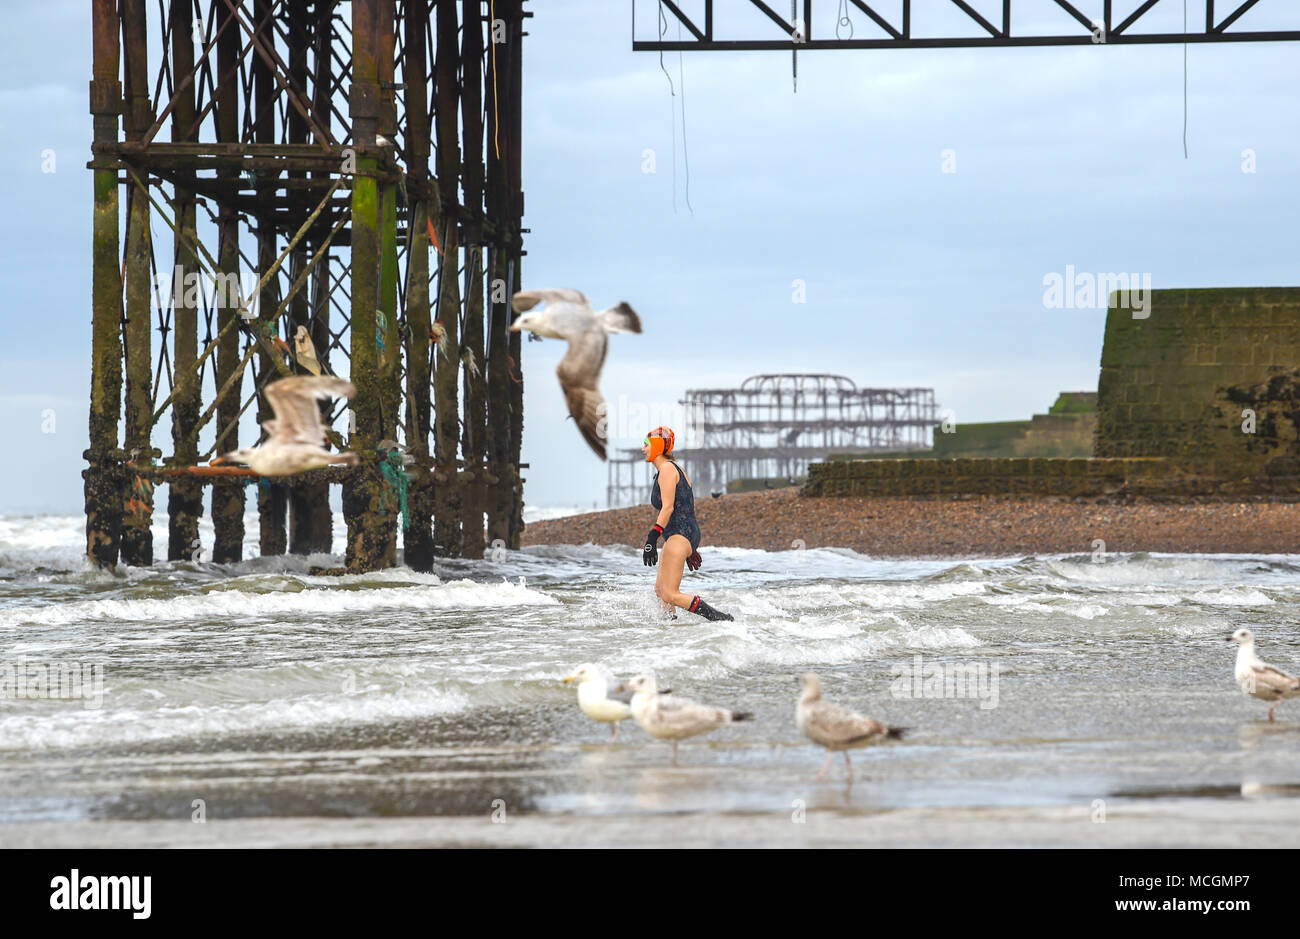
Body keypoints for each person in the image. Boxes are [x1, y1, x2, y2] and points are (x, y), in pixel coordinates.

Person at [640, 426, 734, 622]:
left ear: (657, 446)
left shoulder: (667, 469)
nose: (643, 449)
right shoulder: (670, 469)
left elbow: (668, 509)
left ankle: (720, 619)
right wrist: (688, 546)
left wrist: (652, 538)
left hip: (680, 533)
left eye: (646, 444)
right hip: (681, 534)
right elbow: (685, 505)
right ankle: (670, 627)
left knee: (670, 594)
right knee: (660, 590)